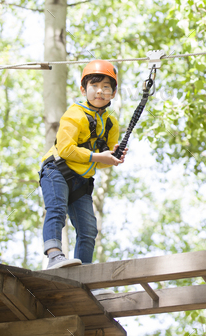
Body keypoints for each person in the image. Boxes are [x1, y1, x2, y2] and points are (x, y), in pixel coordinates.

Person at [40, 60, 128, 269]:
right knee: (57, 209)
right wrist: (99, 158)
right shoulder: (75, 114)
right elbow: (66, 149)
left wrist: (113, 159)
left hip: (82, 179)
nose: (100, 91)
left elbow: (102, 160)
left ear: (113, 93)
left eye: (106, 87)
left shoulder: (110, 123)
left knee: (89, 228)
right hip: (57, 170)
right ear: (83, 89)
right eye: (94, 86)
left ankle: (84, 273)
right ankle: (54, 256)